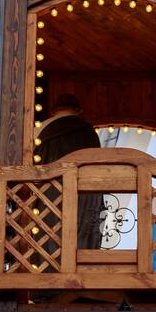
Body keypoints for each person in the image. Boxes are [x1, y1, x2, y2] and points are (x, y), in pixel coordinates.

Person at [37, 95, 105, 249]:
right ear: (79, 111)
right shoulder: (89, 132)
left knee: (47, 235)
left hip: (47, 195)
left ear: (54, 111)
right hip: (83, 196)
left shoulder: (40, 129)